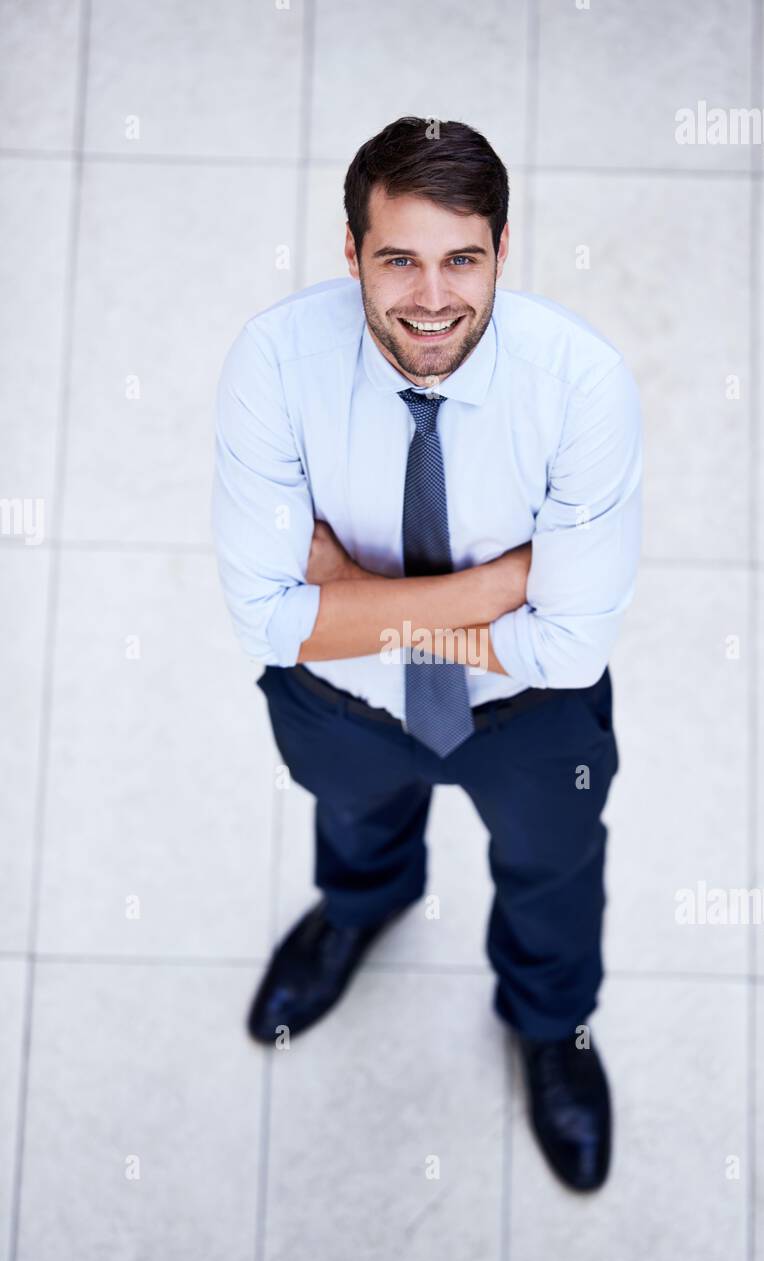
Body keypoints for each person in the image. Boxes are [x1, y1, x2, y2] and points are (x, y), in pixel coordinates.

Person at [211, 116, 642, 1193]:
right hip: (340, 703)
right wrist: (501, 583)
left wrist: (350, 595)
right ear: (350, 252)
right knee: (356, 820)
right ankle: (362, 909)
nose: (432, 297)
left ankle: (552, 1025)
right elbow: (265, 618)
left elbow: (570, 644)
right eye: (398, 258)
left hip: (531, 719)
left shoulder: (581, 385)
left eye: (462, 258)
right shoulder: (275, 361)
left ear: (505, 248)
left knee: (554, 874)